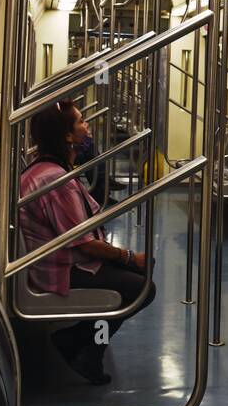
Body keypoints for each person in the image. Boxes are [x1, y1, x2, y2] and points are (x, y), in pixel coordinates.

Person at [17, 100, 155, 384]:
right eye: (81, 122)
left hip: (53, 260)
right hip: (58, 269)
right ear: (67, 135)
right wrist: (128, 257)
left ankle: (84, 344)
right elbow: (84, 243)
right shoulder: (57, 182)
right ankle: (80, 344)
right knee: (143, 288)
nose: (87, 126)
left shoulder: (44, 169)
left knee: (137, 276)